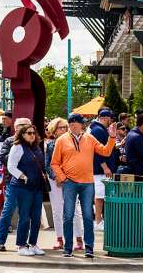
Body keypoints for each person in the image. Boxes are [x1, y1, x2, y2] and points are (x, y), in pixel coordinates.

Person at [50, 113, 116, 258]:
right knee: (68, 215)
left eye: (80, 123)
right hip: (70, 183)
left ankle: (89, 247)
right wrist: (63, 178)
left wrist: (111, 137)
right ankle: (68, 248)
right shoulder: (61, 140)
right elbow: (54, 163)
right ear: (71, 124)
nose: (79, 125)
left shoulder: (89, 138)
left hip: (87, 182)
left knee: (87, 216)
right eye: (75, 123)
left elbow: (105, 151)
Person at [0, 122, 46, 255]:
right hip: (23, 186)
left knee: (36, 217)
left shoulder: (37, 147)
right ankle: (21, 245)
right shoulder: (17, 146)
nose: (32, 135)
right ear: (22, 134)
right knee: (24, 216)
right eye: (29, 133)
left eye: (33, 133)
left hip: (37, 187)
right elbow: (11, 165)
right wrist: (22, 176)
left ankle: (33, 244)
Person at [45, 119, 84, 251]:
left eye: (65, 127)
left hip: (71, 180)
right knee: (57, 210)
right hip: (55, 181)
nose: (63, 130)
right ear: (53, 130)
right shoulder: (51, 145)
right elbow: (48, 164)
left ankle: (79, 239)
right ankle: (59, 238)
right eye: (60, 128)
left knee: (74, 210)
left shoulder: (74, 142)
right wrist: (56, 177)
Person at [0, 117, 32, 250]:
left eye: (28, 125)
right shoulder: (9, 141)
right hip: (12, 181)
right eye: (23, 125)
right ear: (16, 128)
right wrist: (16, 159)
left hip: (28, 182)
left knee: (25, 213)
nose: (26, 128)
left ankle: (21, 242)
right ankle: (0, 241)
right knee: (8, 210)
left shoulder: (32, 141)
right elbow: (3, 158)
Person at [89, 108, 117, 230]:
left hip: (101, 169)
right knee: (100, 197)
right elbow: (98, 152)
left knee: (101, 196)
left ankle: (99, 220)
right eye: (110, 118)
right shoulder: (98, 130)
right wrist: (105, 167)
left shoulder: (98, 129)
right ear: (105, 118)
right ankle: (98, 221)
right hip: (100, 170)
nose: (111, 121)